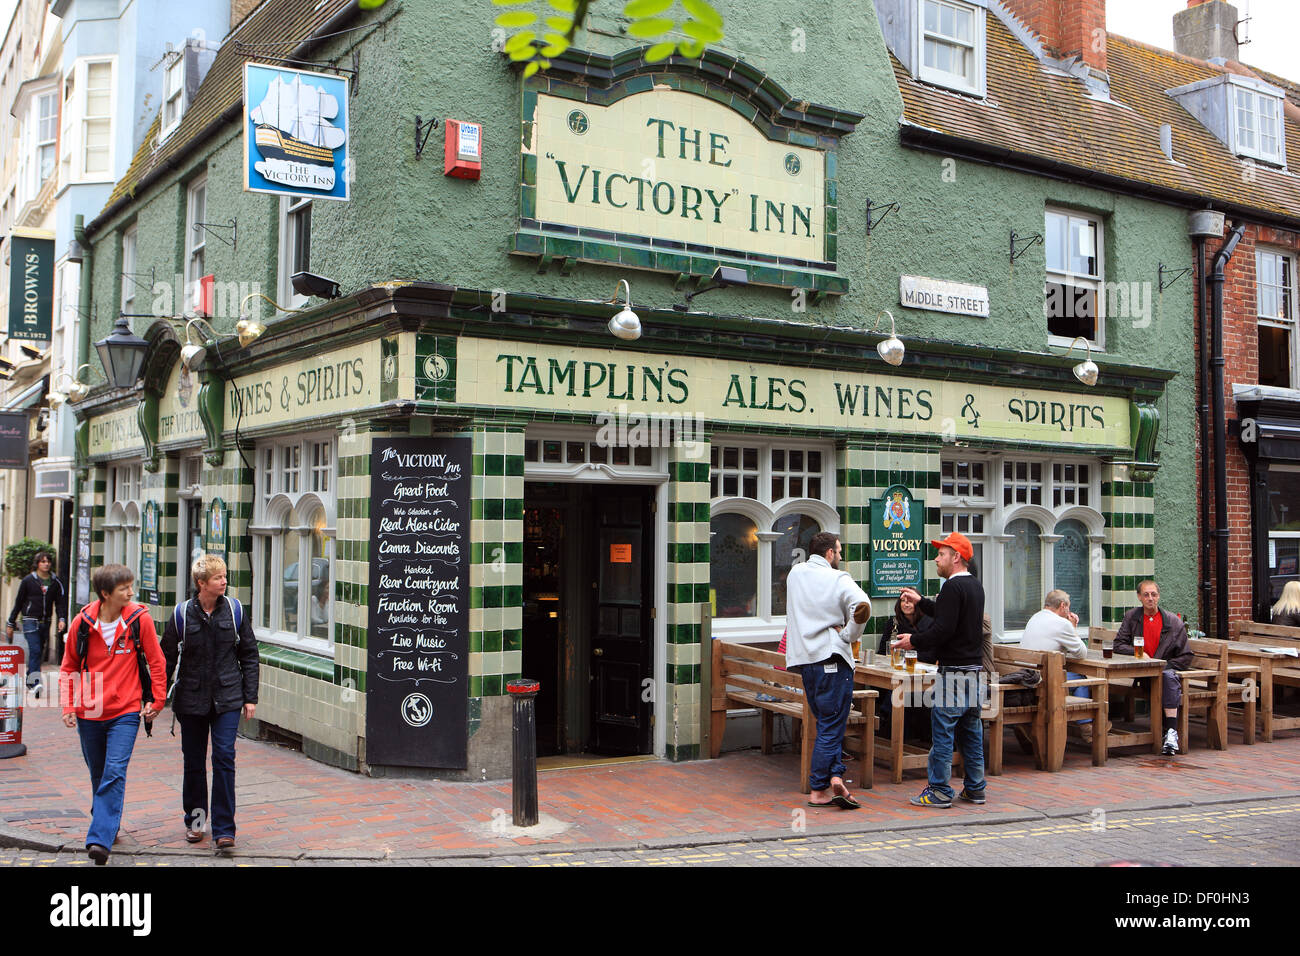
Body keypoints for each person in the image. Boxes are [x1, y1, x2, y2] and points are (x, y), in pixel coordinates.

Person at [59, 564, 165, 865]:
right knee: (98, 773)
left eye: (131, 587)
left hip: (126, 710)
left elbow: (157, 662)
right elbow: (68, 667)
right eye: (124, 589)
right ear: (106, 594)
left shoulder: (138, 619)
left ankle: (99, 839)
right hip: (89, 710)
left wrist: (156, 701)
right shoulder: (82, 623)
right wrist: (68, 705)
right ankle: (107, 822)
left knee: (114, 770)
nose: (131, 593)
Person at [161, 554, 259, 853]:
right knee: (194, 762)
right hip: (191, 699)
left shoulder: (235, 610)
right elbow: (166, 659)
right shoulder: (180, 615)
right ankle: (196, 822)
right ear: (202, 583)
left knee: (224, 758)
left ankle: (225, 829)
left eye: (225, 576)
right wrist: (155, 699)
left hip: (228, 697)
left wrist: (250, 697)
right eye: (219, 578)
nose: (225, 581)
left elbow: (250, 655)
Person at [893, 531, 986, 809]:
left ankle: (939, 790)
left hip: (953, 673)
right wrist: (922, 601)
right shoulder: (974, 586)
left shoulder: (951, 588)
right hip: (974, 672)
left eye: (941, 554)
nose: (936, 558)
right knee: (971, 733)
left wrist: (913, 640)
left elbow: (943, 629)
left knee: (943, 732)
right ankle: (975, 788)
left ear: (956, 557)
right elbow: (949, 617)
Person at [783, 531, 871, 809]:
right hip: (832, 657)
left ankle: (835, 776)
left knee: (825, 723)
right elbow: (863, 605)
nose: (841, 556)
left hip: (806, 661)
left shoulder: (795, 574)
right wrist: (848, 635)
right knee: (832, 726)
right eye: (839, 551)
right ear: (830, 553)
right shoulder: (838, 578)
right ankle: (818, 789)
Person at [1113, 579, 1193, 755]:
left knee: (1167, 678)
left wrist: (1162, 666)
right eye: (1146, 595)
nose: (1150, 598)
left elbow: (1186, 656)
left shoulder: (1173, 622)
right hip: (1141, 673)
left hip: (1165, 672)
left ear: (1159, 596)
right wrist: (1139, 653)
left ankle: (1171, 733)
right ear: (1139, 597)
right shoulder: (1132, 617)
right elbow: (1118, 644)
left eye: (1154, 594)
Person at [7, 551, 68, 696]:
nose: (46, 564)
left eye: (48, 561)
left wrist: (62, 619)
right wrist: (11, 622)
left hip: (45, 622)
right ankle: (35, 682)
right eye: (43, 561)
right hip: (30, 620)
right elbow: (19, 602)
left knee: (39, 651)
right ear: (37, 564)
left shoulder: (55, 582)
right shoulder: (28, 581)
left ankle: (30, 678)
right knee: (35, 650)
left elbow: (60, 603)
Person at [1020, 590, 1086, 657]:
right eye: (1068, 607)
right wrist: (1073, 628)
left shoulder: (1034, 617)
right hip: (1043, 667)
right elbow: (1082, 653)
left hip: (1025, 666)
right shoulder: (1063, 624)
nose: (1069, 611)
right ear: (1062, 605)